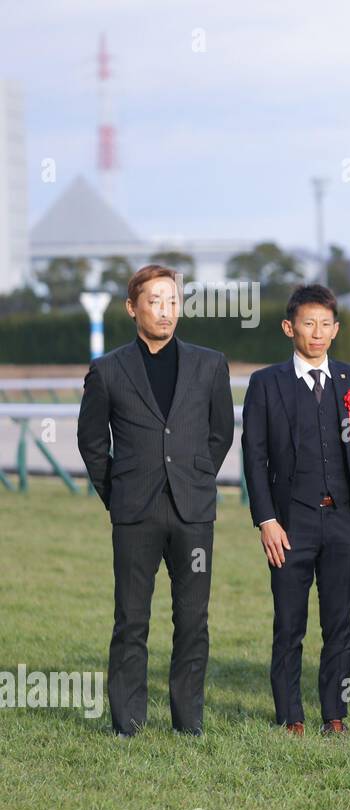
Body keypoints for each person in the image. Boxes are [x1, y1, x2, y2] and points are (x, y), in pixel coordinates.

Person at [76, 264, 234, 737]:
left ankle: (189, 722)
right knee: (131, 620)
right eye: (154, 301)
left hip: (193, 512)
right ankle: (128, 722)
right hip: (134, 512)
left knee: (193, 620)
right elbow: (92, 444)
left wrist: (197, 477)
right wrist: (117, 494)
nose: (165, 311)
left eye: (172, 301)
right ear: (132, 308)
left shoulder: (210, 364)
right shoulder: (107, 370)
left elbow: (220, 433)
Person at [241, 284, 350, 736]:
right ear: (290, 328)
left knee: (339, 624)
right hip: (290, 523)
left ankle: (335, 714)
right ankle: (290, 716)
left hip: (344, 520)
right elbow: (253, 457)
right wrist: (266, 521)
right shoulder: (266, 384)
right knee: (289, 624)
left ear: (336, 329)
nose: (317, 333)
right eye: (308, 323)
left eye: (326, 324)